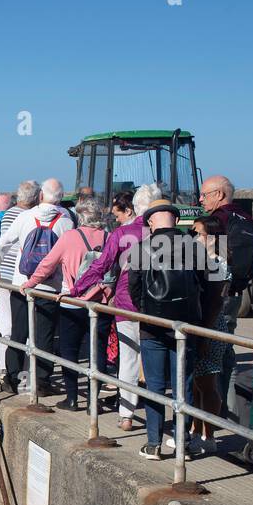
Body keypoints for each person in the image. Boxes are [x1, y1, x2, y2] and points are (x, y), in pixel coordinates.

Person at [129, 199, 216, 460]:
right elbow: (209, 288)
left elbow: (133, 289)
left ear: (151, 222)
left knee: (154, 385)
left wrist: (147, 312)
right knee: (183, 386)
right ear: (176, 221)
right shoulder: (194, 247)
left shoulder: (140, 249)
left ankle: (154, 443)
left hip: (152, 327)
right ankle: (183, 443)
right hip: (185, 326)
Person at [71, 184, 161, 430]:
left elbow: (102, 265)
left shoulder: (121, 235)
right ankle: (157, 419)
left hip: (126, 303)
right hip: (158, 307)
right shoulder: (166, 235)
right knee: (154, 363)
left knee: (129, 360)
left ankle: (126, 415)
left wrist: (78, 288)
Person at [0, 179, 73, 395]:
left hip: (22, 283)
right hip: (50, 286)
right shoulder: (65, 221)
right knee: (44, 336)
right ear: (61, 197)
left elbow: (3, 243)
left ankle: (12, 378)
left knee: (19, 332)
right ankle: (42, 382)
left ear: (40, 196)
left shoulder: (25, 217)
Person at [23, 197, 107, 410]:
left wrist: (30, 283)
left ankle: (72, 398)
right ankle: (93, 401)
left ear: (80, 216)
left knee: (70, 351)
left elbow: (47, 264)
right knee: (98, 351)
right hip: (102, 303)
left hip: (72, 300)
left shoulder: (70, 237)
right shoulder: (109, 237)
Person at [198, 174, 253, 411]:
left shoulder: (218, 220)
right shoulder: (245, 217)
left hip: (219, 294)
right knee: (226, 349)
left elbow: (216, 263)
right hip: (238, 290)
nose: (200, 199)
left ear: (219, 195)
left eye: (204, 195)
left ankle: (220, 408)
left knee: (214, 355)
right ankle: (230, 406)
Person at [188, 216, 234, 452]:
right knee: (197, 384)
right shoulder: (203, 260)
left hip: (211, 326)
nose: (194, 238)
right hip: (204, 326)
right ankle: (196, 432)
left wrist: (205, 335)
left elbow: (216, 302)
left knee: (207, 384)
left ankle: (209, 436)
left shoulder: (217, 263)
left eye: (199, 233)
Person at [0, 183, 35, 382]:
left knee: (5, 327)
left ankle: (3, 369)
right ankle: (25, 374)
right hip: (28, 278)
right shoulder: (35, 216)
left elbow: (3, 243)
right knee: (27, 329)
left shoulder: (8, 215)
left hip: (6, 277)